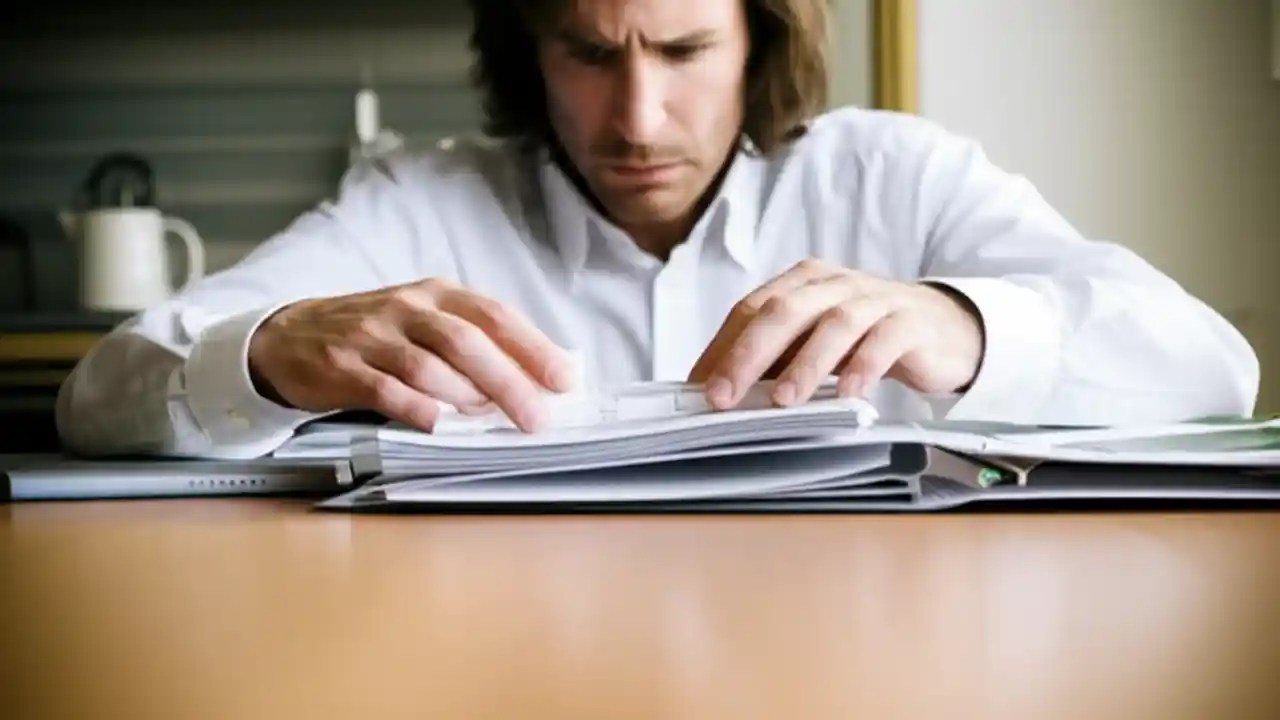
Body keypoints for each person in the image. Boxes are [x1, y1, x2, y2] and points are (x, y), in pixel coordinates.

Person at [56, 0, 1258, 459]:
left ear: (761, 44)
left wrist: (959, 321)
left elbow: (1211, 369)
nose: (636, 117)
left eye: (683, 51)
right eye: (588, 54)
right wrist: (265, 352)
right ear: (529, 57)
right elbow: (100, 392)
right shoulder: (416, 199)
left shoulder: (898, 172)